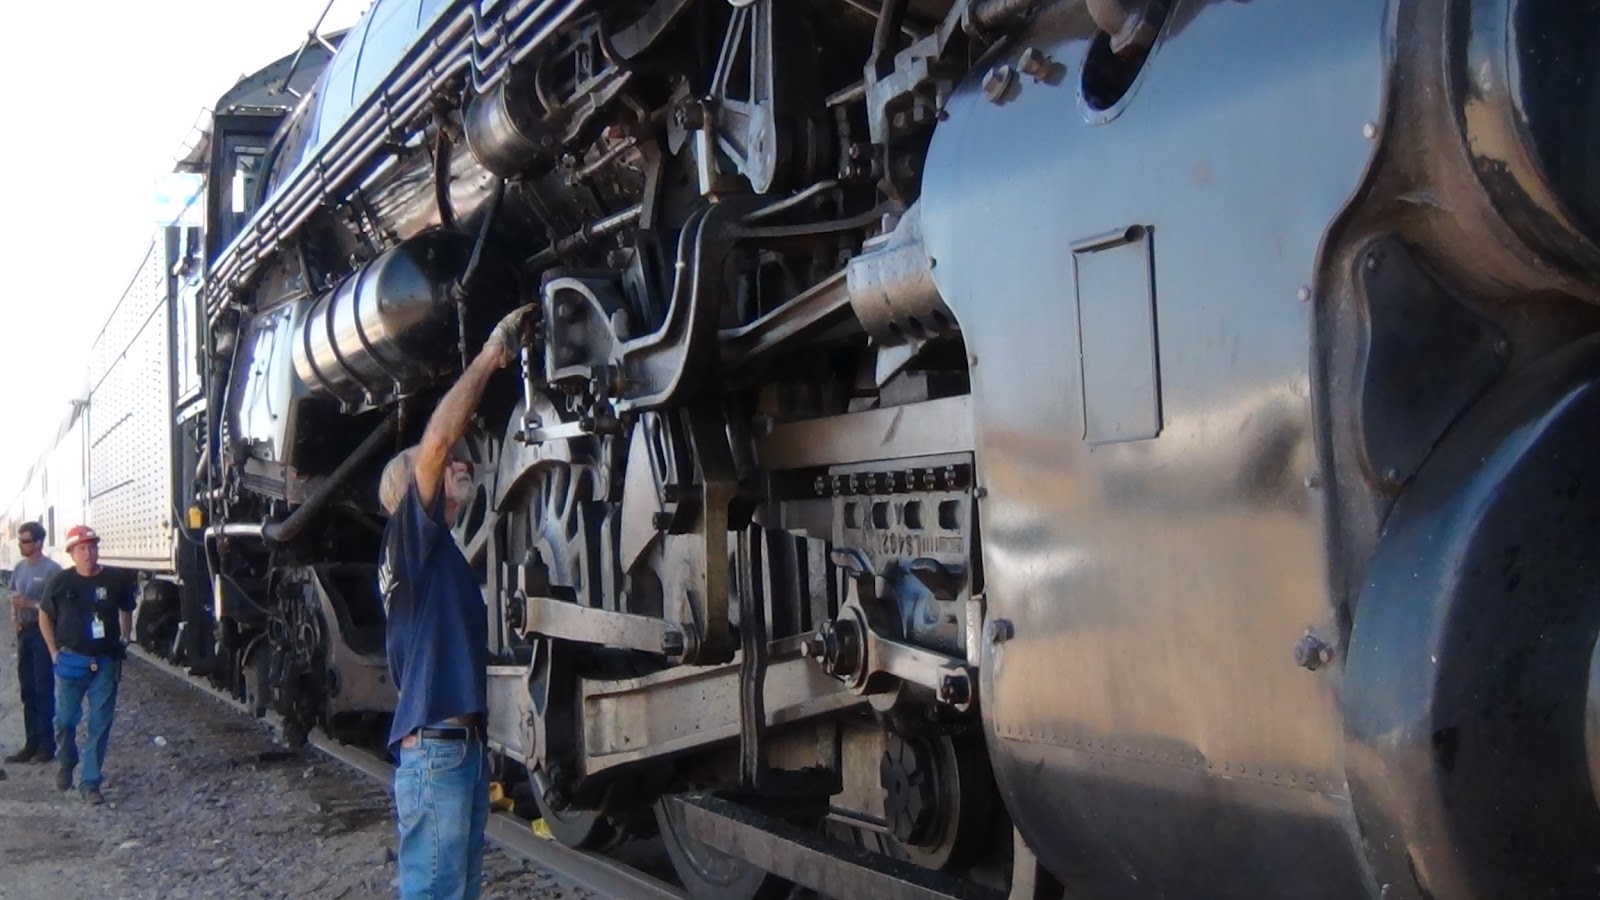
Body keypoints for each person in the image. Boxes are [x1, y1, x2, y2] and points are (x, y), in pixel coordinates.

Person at [377, 303, 531, 899]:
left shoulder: (433, 557)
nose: (461, 460)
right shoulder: (409, 537)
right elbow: (437, 439)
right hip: (437, 756)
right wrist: (494, 353)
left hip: (457, 753)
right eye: (448, 463)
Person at [38, 525, 136, 805]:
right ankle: (67, 761)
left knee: (100, 723)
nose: (88, 552)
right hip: (71, 662)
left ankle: (90, 782)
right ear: (71, 553)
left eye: (92, 546)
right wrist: (54, 652)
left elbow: (127, 608)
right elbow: (44, 616)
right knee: (65, 720)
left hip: (105, 661)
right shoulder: (60, 582)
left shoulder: (115, 579)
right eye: (81, 548)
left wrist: (125, 638)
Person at [8, 522, 62, 765]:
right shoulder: (19, 568)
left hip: (43, 635)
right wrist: (15, 620)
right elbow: (13, 597)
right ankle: (30, 744)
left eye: (26, 540)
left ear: (38, 542)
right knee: (27, 689)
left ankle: (46, 746)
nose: (21, 544)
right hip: (25, 634)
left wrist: (31, 605)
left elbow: (59, 608)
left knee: (43, 690)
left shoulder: (52, 570)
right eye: (20, 540)